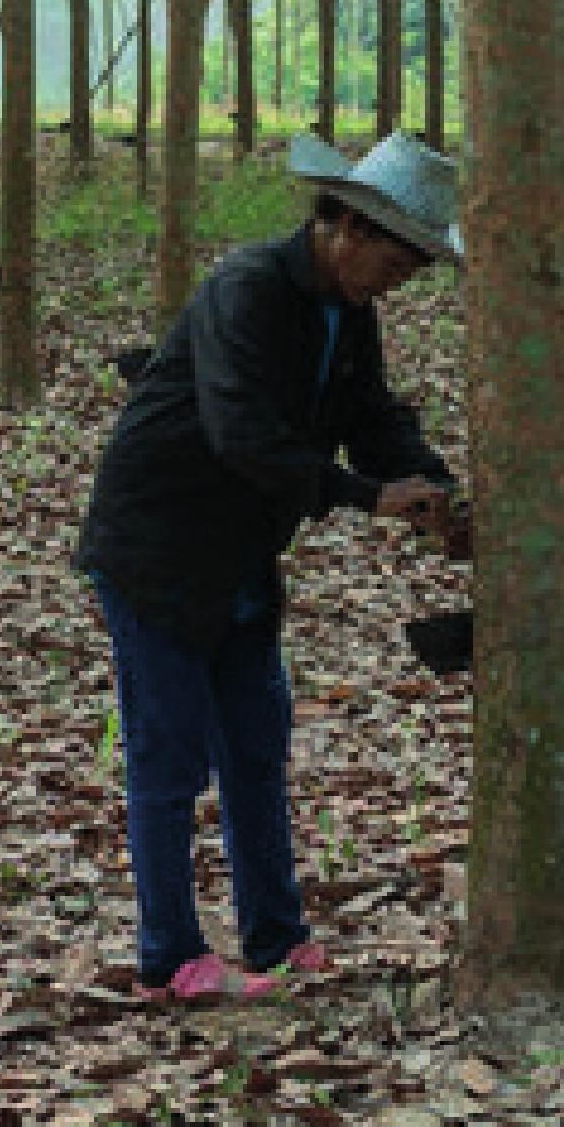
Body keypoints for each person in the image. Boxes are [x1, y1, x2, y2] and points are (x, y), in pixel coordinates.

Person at [76, 130, 464, 1003]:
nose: (394, 285)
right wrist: (365, 497)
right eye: (395, 266)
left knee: (254, 745)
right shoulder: (247, 291)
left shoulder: (349, 316)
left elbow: (370, 415)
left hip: (243, 550)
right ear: (348, 229)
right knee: (167, 754)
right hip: (160, 547)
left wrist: (430, 484)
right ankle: (169, 956)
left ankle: (276, 936)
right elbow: (241, 434)